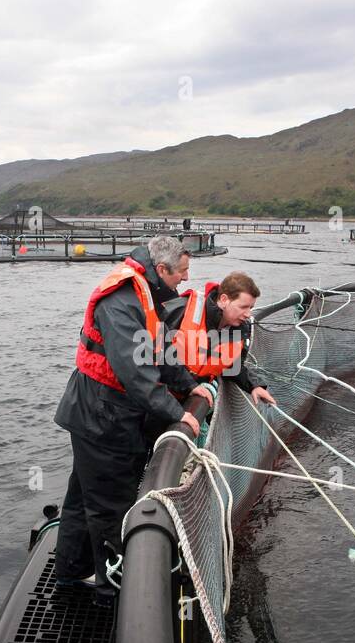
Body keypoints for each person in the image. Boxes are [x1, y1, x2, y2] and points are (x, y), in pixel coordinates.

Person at [52, 236, 214, 596]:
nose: (186, 281)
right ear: (162, 269)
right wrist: (178, 414)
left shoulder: (146, 292)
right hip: (100, 415)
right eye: (182, 272)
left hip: (102, 412)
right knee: (110, 506)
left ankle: (70, 573)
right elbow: (136, 370)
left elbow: (160, 348)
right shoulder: (120, 299)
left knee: (83, 498)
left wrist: (189, 386)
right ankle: (114, 593)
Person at [161, 271, 276, 407]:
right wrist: (188, 385)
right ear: (223, 300)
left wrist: (254, 386)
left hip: (191, 398)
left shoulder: (238, 330)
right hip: (159, 395)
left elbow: (232, 367)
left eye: (251, 308)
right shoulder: (181, 309)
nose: (248, 314)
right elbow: (151, 351)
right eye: (243, 307)